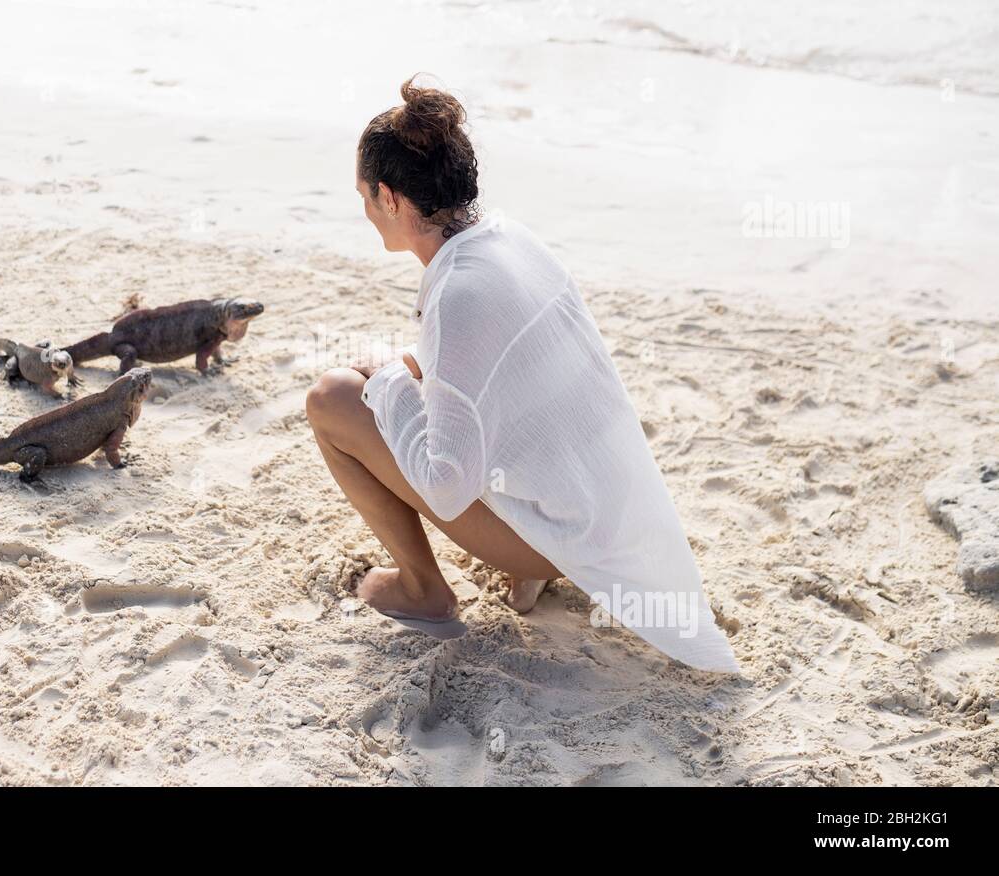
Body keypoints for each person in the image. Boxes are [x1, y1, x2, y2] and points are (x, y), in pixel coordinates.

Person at [304, 77, 738, 672]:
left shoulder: (457, 291)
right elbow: (491, 370)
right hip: (598, 513)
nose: (364, 211)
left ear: (393, 198)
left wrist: (385, 383)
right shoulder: (509, 240)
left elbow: (446, 482)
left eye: (364, 196)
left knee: (331, 397)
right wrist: (401, 371)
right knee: (397, 373)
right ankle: (525, 569)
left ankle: (423, 590)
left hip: (557, 539)